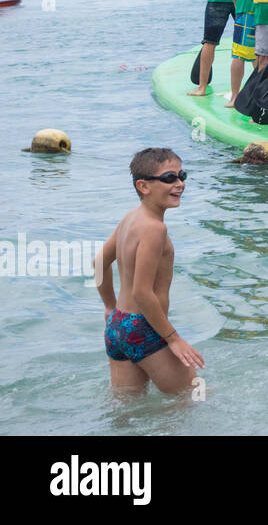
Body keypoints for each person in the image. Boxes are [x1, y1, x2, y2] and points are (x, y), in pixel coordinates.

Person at [95, 148, 205, 393]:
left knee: (127, 412)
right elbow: (142, 293)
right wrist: (174, 339)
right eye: (169, 178)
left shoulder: (130, 218)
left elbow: (99, 262)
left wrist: (109, 306)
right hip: (145, 328)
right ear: (143, 186)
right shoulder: (155, 229)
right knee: (196, 397)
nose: (179, 184)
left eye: (181, 176)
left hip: (118, 327)